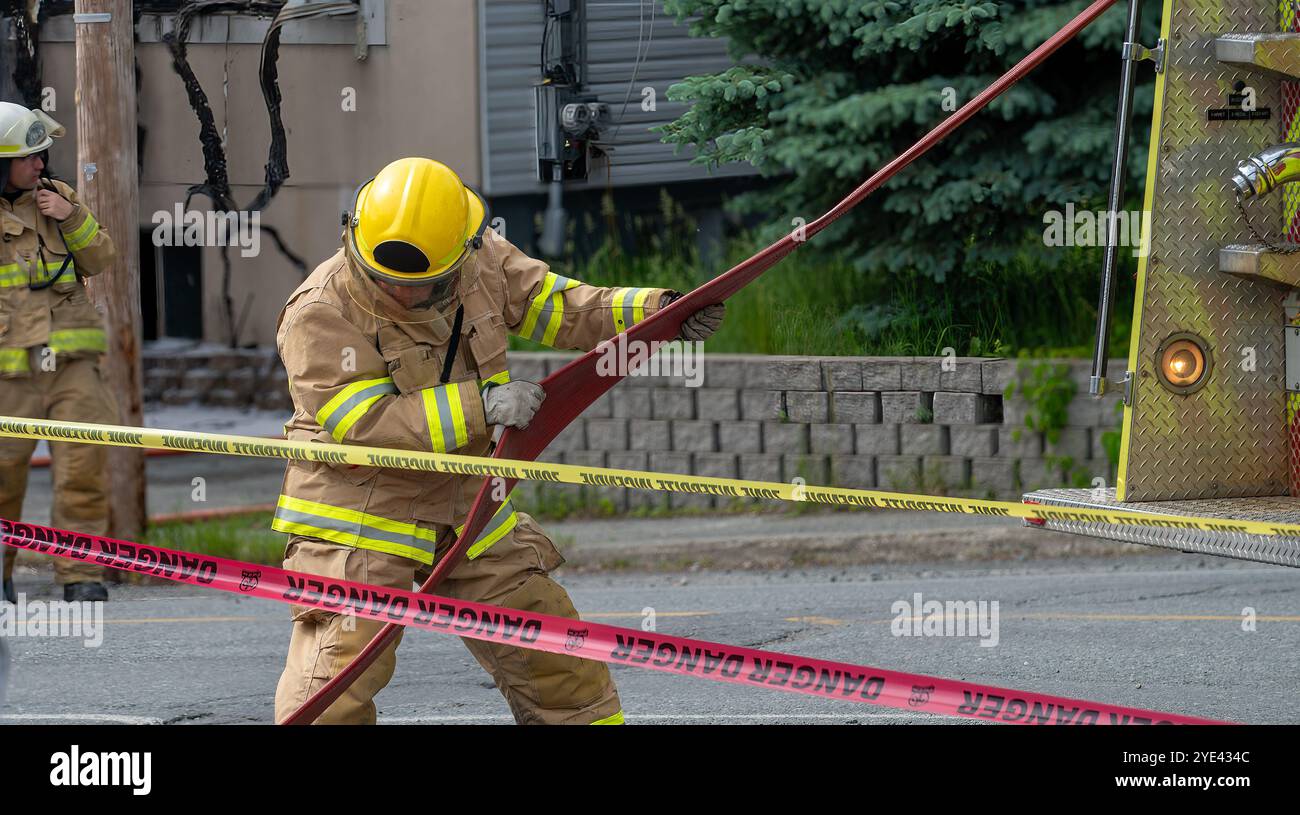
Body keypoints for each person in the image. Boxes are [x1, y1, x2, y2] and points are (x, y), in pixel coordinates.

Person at [272, 157, 724, 724]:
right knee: (335, 683)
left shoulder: (484, 261)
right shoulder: (320, 309)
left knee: (556, 656)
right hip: (357, 508)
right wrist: (479, 407)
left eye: (422, 285)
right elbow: (364, 421)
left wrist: (660, 313)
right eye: (386, 281)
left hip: (463, 497)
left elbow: (560, 307)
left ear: (465, 249)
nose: (403, 295)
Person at [0, 101, 119, 604]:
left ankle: (80, 574)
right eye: (28, 157)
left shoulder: (59, 198)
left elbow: (101, 257)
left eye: (42, 155)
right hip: (9, 372)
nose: (40, 165)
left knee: (83, 472)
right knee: (3, 477)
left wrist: (71, 219)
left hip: (73, 367)